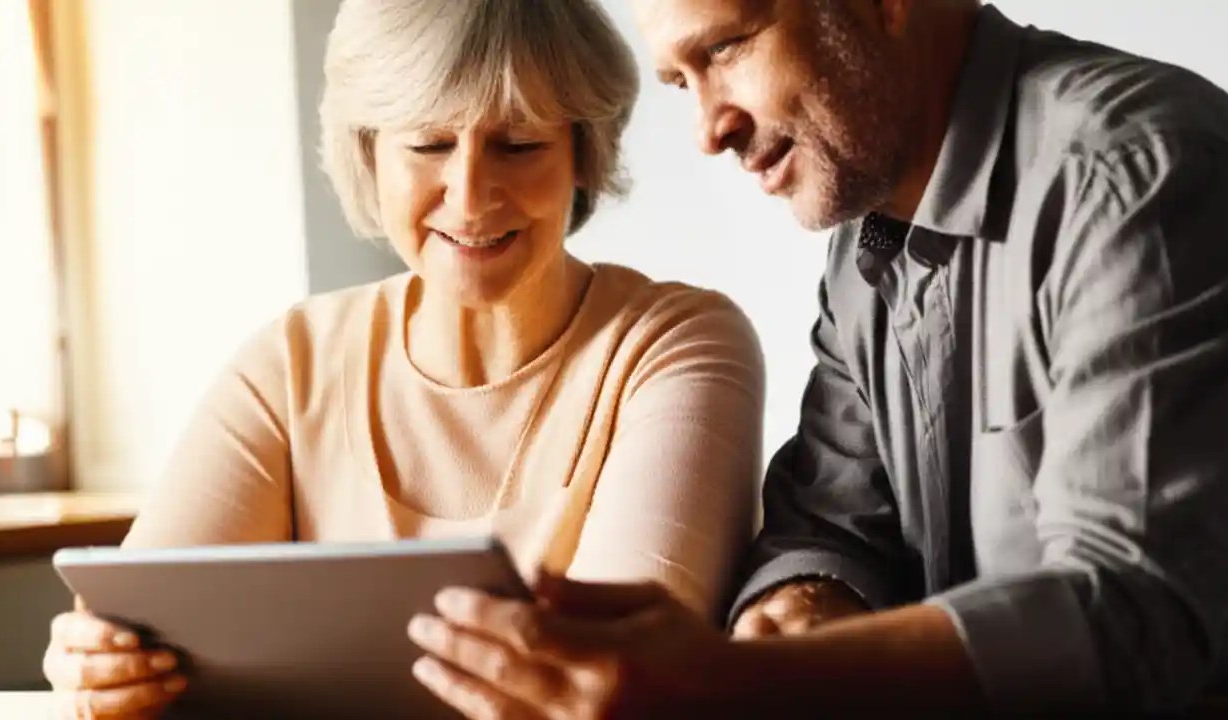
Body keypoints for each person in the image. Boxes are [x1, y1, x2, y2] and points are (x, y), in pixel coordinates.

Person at [408, 0, 1228, 714]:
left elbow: (1137, 611)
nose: (710, 129)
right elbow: (828, 518)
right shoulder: (864, 242)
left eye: (726, 48)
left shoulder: (1135, 177)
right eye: (680, 82)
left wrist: (745, 681)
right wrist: (802, 602)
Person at [40, 1, 766, 717]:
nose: (472, 193)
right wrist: (101, 665)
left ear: (583, 153)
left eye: (518, 145)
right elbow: (144, 622)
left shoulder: (676, 344)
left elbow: (614, 680)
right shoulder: (292, 362)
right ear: (369, 154)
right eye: (427, 145)